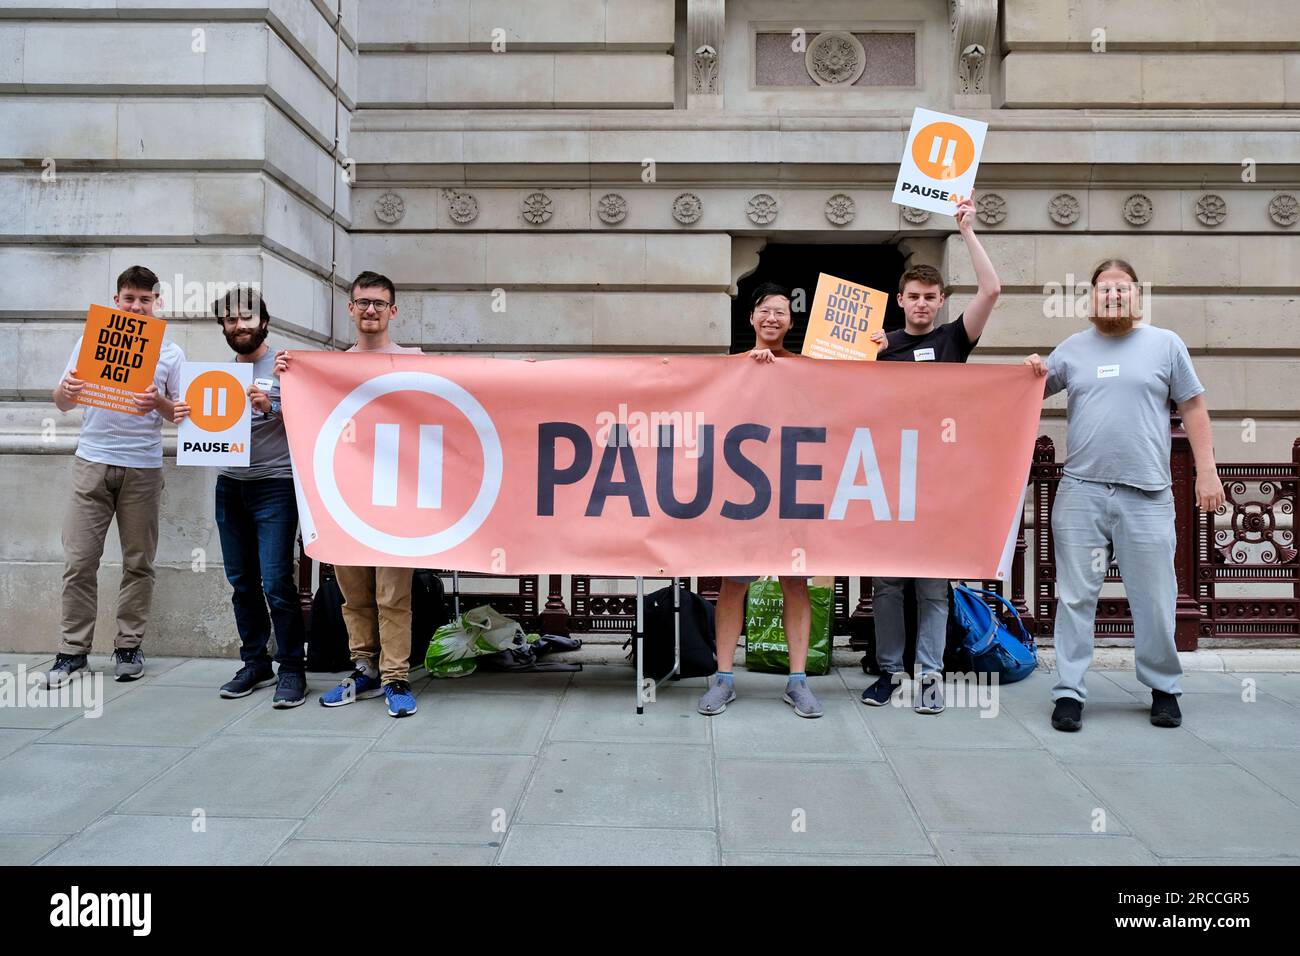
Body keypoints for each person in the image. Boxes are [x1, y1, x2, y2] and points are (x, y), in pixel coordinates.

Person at [1025, 258, 1225, 732]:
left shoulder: (1165, 345)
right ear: (1091, 297)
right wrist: (1032, 369)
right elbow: (1024, 394)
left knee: (1155, 598)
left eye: (1123, 288)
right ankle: (1070, 692)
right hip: (1081, 491)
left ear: (1137, 296)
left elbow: (1194, 406)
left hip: (1148, 493)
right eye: (1104, 289)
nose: (1113, 296)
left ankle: (1163, 689)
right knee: (1075, 598)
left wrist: (1207, 471)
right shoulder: (1072, 349)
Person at [861, 195, 1000, 715]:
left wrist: (965, 230)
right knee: (890, 583)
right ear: (900, 299)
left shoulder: (952, 341)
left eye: (930, 296)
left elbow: (993, 289)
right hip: (888, 476)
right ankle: (891, 672)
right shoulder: (879, 345)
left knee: (933, 585)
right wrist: (862, 358)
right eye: (913, 296)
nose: (921, 303)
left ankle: (931, 677)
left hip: (939, 480)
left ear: (941, 301)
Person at [275, 271, 422, 718]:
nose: (371, 310)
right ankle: (365, 668)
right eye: (363, 303)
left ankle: (396, 677)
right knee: (353, 593)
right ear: (351, 309)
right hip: (345, 496)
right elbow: (302, 417)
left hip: (398, 494)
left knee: (393, 594)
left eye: (379, 303)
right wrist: (287, 381)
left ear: (393, 311)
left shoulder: (415, 362)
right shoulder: (330, 367)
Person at [43, 265, 185, 687]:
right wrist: (65, 394)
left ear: (156, 302)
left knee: (138, 562)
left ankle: (128, 646)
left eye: (145, 299)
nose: (137, 306)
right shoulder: (91, 340)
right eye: (129, 298)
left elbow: (180, 413)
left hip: (142, 466)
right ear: (116, 300)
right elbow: (63, 401)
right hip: (92, 462)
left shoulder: (170, 352)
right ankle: (72, 651)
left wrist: (157, 401)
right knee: (79, 560)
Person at [172, 287, 308, 707]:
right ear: (224, 328)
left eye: (247, 317)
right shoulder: (216, 375)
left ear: (264, 321)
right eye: (230, 320)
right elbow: (205, 426)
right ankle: (255, 663)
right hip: (230, 486)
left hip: (276, 485)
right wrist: (179, 414)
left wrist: (271, 407)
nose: (239, 325)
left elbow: (313, 419)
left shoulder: (288, 366)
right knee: (241, 582)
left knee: (278, 582)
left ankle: (292, 669)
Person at [696, 282, 822, 719]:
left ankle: (798, 681)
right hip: (745, 491)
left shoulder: (807, 367)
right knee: (734, 582)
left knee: (795, 582)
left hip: (793, 487)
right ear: (751, 318)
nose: (773, 318)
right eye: (765, 311)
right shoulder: (732, 367)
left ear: (791, 322)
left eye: (781, 312)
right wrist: (751, 371)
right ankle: (724, 678)